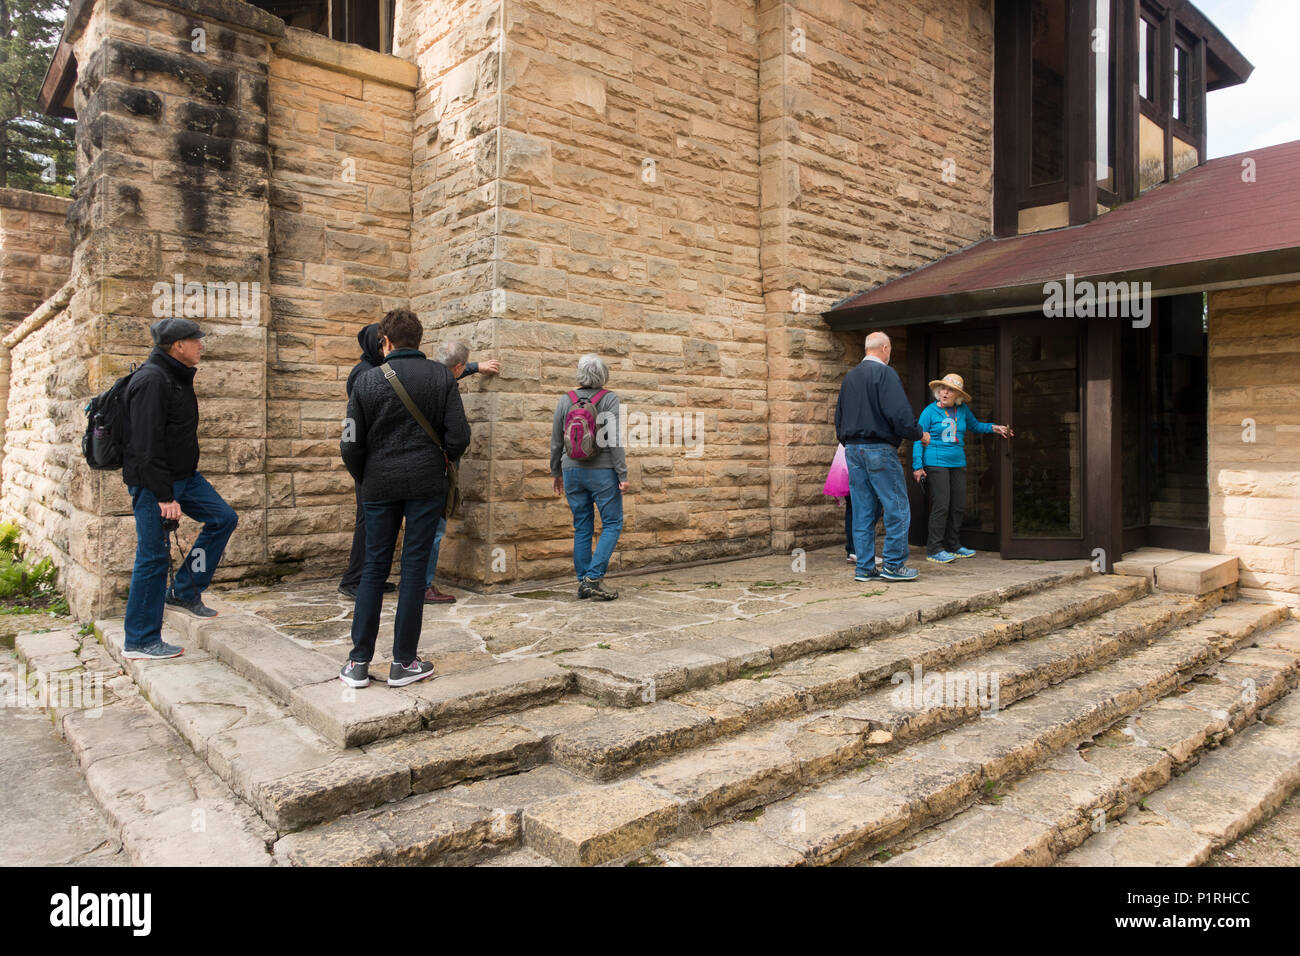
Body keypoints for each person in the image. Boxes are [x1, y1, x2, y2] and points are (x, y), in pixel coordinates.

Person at [339, 309, 470, 688]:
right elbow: (459, 435)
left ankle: (358, 662)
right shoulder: (441, 377)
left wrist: (365, 476)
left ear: (386, 341)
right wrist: (437, 458)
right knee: (413, 571)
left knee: (374, 569)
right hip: (427, 483)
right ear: (418, 340)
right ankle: (404, 662)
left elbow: (350, 442)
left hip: (378, 485)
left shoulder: (366, 381)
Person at [121, 318, 239, 659]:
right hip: (155, 484)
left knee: (222, 519)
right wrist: (163, 496)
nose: (201, 345)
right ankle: (140, 640)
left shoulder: (175, 378)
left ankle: (185, 590)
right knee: (154, 556)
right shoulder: (152, 381)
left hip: (185, 477)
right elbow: (145, 445)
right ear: (178, 346)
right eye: (196, 340)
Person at [834, 331, 927, 583]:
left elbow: (839, 418)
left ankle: (864, 568)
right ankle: (894, 565)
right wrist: (919, 434)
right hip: (879, 449)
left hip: (852, 449)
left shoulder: (850, 377)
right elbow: (900, 415)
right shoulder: (886, 374)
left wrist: (850, 442)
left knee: (863, 510)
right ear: (885, 348)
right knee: (896, 507)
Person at [423, 340, 501, 604]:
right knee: (433, 529)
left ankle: (410, 582)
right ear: (457, 367)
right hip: (436, 467)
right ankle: (422, 586)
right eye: (462, 367)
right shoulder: (446, 388)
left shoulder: (420, 374)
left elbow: (447, 369)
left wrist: (476, 366)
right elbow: (458, 436)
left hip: (403, 467)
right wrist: (450, 459)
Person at [912, 373, 1013, 563]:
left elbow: (975, 426)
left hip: (958, 462)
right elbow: (919, 438)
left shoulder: (962, 409)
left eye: (950, 390)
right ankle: (934, 549)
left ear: (957, 394)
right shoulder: (929, 412)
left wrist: (994, 428)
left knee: (957, 505)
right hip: (936, 462)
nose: (945, 392)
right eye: (943, 388)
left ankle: (953, 544)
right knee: (941, 505)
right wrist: (918, 466)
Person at [550, 354, 627, 600]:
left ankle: (584, 580)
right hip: (602, 471)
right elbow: (613, 438)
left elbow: (555, 441)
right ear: (603, 375)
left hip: (571, 470)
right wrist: (622, 473)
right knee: (612, 523)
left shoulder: (566, 400)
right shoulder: (609, 398)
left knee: (582, 526)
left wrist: (556, 471)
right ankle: (593, 578)